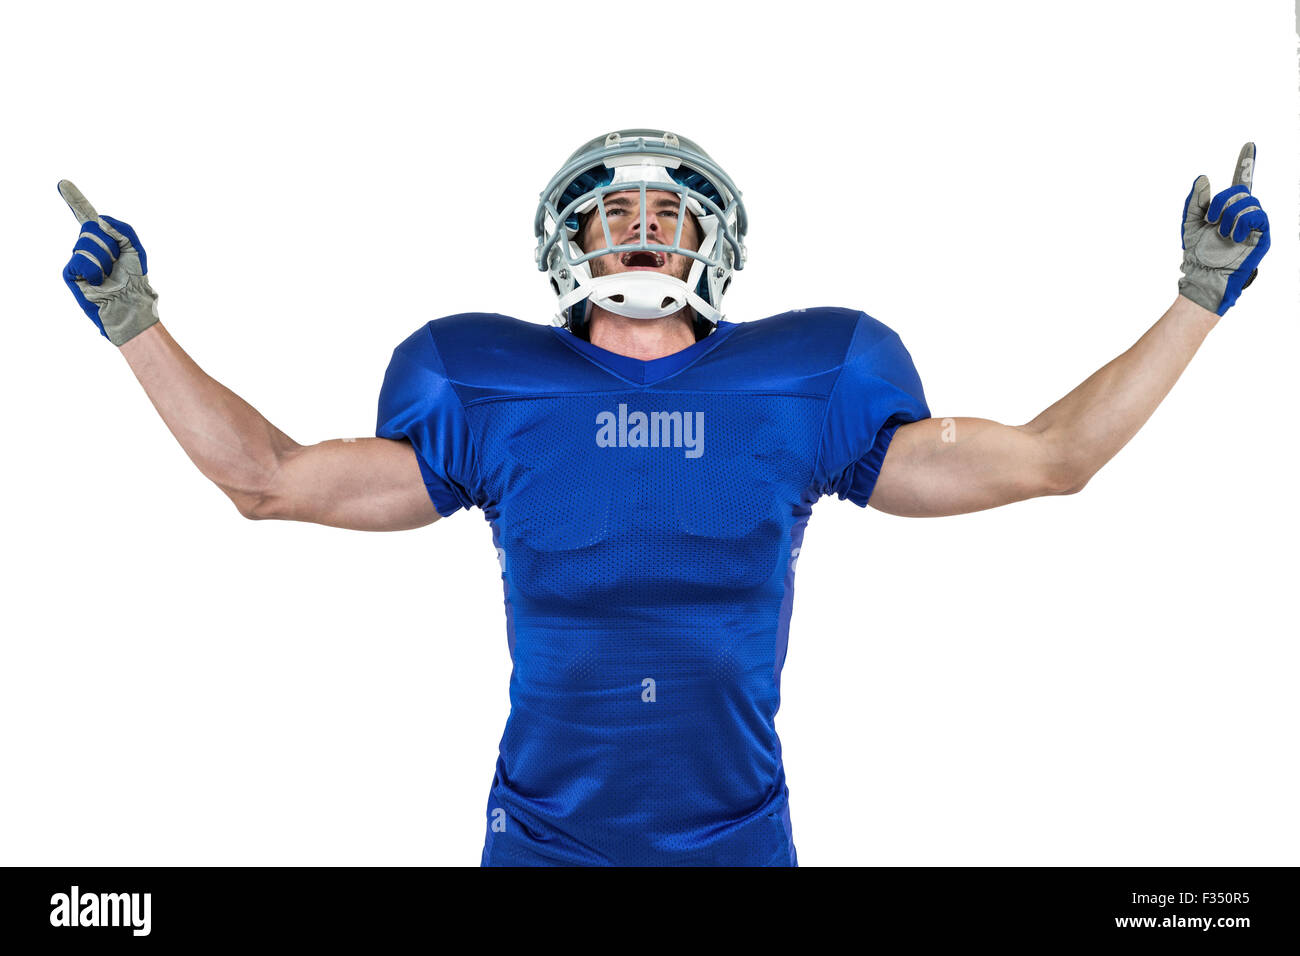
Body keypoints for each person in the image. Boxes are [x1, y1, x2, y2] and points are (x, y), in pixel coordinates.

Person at [57, 129, 1271, 867]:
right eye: (615, 211)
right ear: (568, 237)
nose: (639, 231)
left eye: (664, 212)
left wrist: (1198, 297)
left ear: (714, 240)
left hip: (739, 843)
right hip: (542, 845)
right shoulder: (483, 381)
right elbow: (265, 483)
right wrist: (136, 324)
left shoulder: (808, 379)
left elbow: (1055, 456)